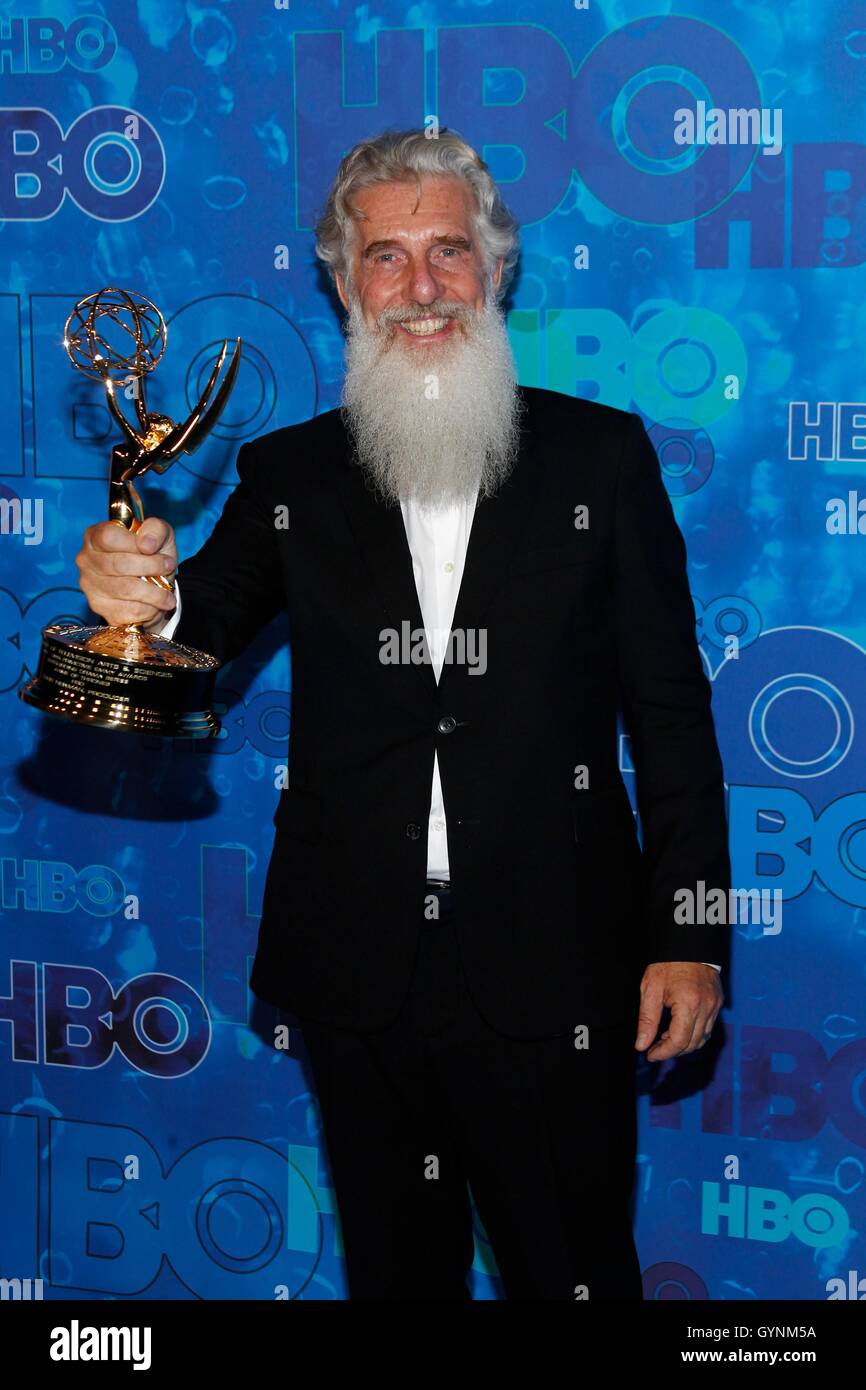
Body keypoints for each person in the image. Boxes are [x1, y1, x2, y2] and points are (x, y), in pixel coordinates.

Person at [75, 129, 730, 1301]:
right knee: (395, 1278)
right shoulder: (287, 474)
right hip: (355, 963)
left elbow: (672, 714)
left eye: (447, 252)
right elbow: (194, 635)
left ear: (495, 270)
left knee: (572, 1271)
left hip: (557, 962)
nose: (420, 288)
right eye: (386, 257)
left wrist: (688, 934)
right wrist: (138, 597)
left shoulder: (600, 460)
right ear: (342, 282)